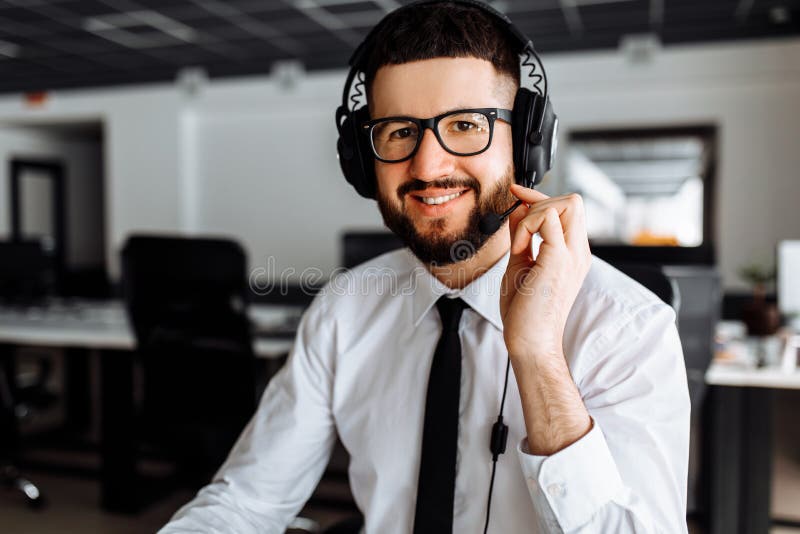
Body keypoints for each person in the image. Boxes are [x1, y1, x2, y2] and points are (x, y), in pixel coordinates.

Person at [160, 2, 689, 532]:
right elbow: (244, 503)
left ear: (527, 144)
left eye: (465, 124)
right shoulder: (344, 311)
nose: (428, 165)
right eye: (398, 131)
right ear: (362, 161)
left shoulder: (627, 328)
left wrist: (538, 356)